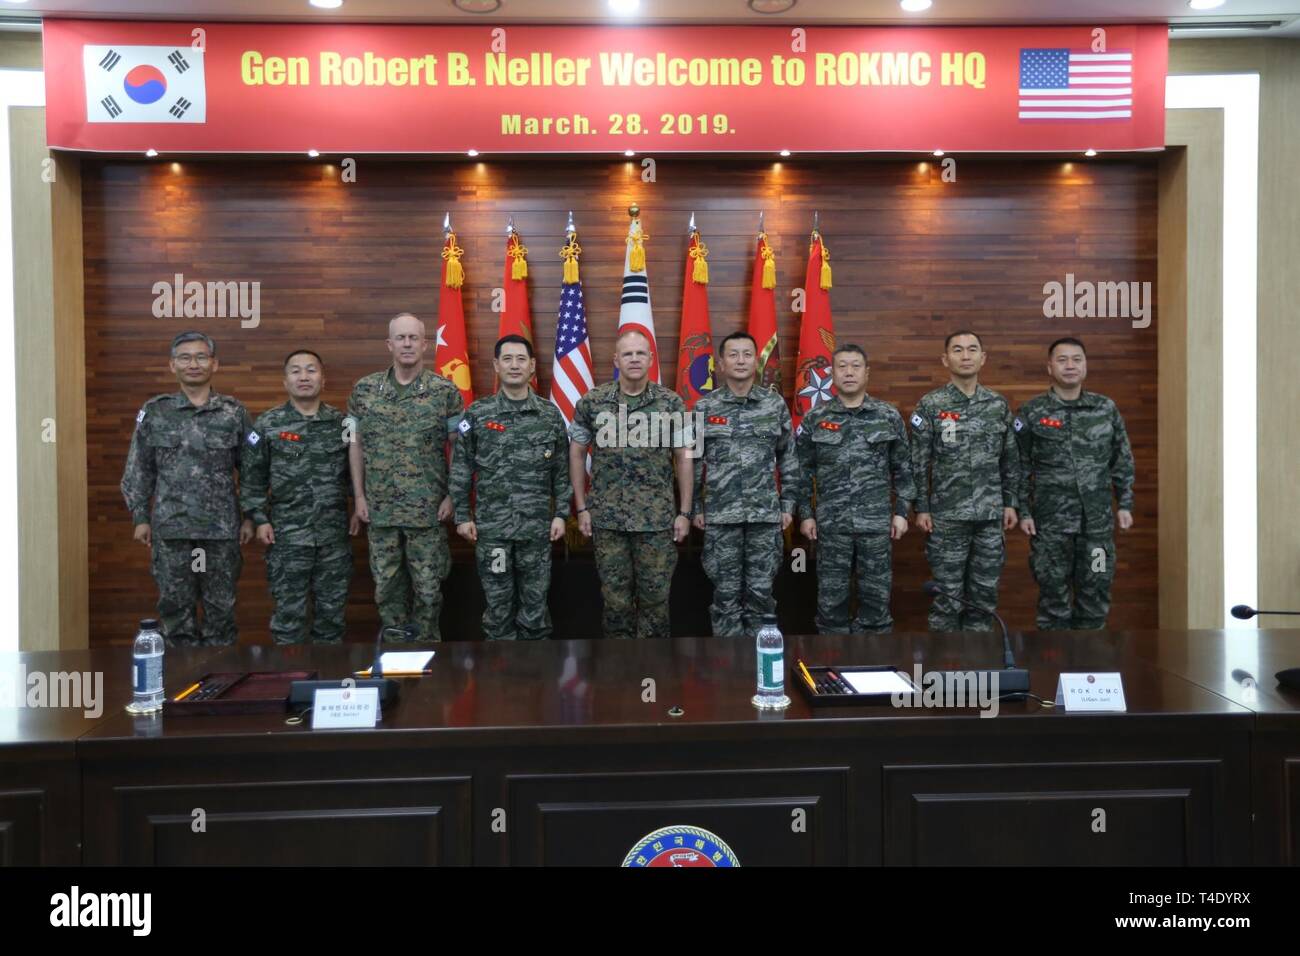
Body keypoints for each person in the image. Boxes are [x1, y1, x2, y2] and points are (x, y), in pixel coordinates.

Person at [121, 331, 253, 645]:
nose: (193, 364)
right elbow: (138, 468)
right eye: (185, 357)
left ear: (214, 364)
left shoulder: (234, 412)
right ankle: (182, 685)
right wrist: (140, 516)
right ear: (172, 365)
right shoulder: (154, 411)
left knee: (220, 612)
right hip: (172, 530)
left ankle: (218, 687)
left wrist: (251, 515)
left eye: (201, 357)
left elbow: (252, 469)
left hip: (220, 531)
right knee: (175, 611)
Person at [567, 329, 692, 639]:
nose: (634, 359)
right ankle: (620, 673)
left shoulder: (671, 402)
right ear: (616, 360)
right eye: (627, 354)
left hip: (657, 523)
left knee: (656, 602)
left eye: (640, 353)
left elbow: (684, 457)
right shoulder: (593, 402)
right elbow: (577, 453)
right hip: (608, 522)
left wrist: (685, 512)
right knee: (615, 602)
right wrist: (581, 507)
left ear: (651, 359)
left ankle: (653, 670)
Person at [347, 313, 464, 642]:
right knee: (387, 591)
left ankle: (429, 663)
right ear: (390, 344)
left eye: (414, 338)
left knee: (429, 592)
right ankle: (395, 662)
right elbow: (354, 445)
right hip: (380, 511)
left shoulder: (444, 392)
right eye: (401, 338)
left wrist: (453, 495)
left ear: (425, 344)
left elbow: (458, 449)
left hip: (427, 512)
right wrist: (358, 496)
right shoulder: (365, 390)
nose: (408, 343)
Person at [450, 335, 569, 640]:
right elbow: (462, 467)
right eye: (507, 359)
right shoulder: (476, 415)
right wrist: (462, 515)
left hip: (536, 532)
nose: (514, 365)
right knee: (498, 608)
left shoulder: (549, 416)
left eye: (520, 359)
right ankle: (499, 681)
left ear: (531, 366)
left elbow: (562, 471)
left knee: (535, 608)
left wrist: (561, 514)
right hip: (494, 534)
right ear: (496, 366)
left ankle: (538, 680)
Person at [1015, 337, 1135, 629]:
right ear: (1049, 367)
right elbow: (1018, 466)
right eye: (1062, 359)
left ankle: (1090, 668)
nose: (1070, 366)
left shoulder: (1105, 409)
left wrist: (1125, 504)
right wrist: (1023, 511)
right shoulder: (1032, 412)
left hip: (1097, 526)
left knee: (1095, 595)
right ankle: (1055, 668)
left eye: (1077, 359)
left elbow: (1122, 458)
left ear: (1085, 365)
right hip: (1050, 526)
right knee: (1053, 598)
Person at [795, 343, 914, 633]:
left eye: (855, 366)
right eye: (842, 366)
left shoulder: (887, 415)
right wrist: (806, 514)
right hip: (831, 526)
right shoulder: (816, 418)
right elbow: (800, 471)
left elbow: (904, 469)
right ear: (833, 374)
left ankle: (874, 671)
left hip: (876, 527)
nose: (849, 372)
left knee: (876, 606)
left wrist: (901, 512)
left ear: (867, 372)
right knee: (831, 607)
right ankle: (832, 670)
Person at [241, 349, 356, 645]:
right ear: (285, 381)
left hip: (333, 537)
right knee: (288, 621)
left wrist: (357, 507)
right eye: (296, 371)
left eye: (311, 370)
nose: (304, 377)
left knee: (331, 619)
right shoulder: (267, 425)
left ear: (323, 379)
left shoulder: (343, 425)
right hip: (287, 537)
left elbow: (355, 473)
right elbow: (252, 478)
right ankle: (289, 682)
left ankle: (329, 682)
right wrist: (258, 518)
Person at [691, 332, 799, 637]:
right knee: (725, 597)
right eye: (733, 355)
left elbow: (788, 457)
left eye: (747, 354)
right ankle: (729, 671)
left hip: (765, 518)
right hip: (720, 518)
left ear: (756, 361)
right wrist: (694, 508)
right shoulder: (704, 407)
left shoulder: (773, 404)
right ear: (721, 364)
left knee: (762, 596)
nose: (740, 360)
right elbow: (692, 462)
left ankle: (761, 668)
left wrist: (788, 505)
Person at [909, 331, 1019, 631]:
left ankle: (978, 667)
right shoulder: (931, 405)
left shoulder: (997, 405)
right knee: (947, 599)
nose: (966, 355)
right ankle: (946, 672)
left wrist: (1011, 503)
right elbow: (918, 462)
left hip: (990, 515)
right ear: (946, 359)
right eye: (958, 350)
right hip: (946, 517)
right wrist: (921, 507)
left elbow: (1010, 460)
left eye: (973, 350)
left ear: (983, 358)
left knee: (984, 598)